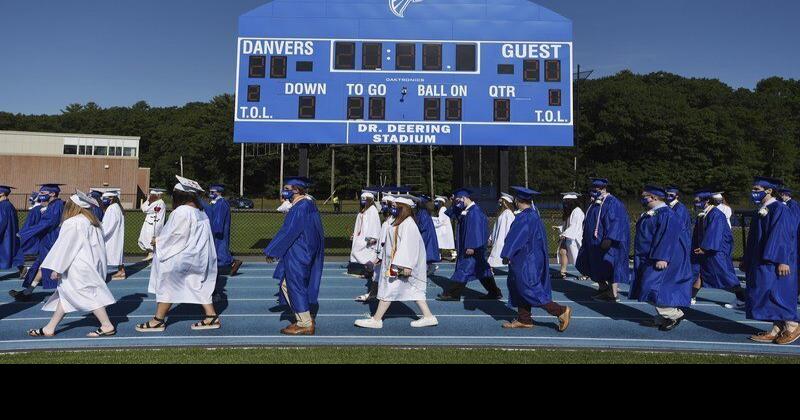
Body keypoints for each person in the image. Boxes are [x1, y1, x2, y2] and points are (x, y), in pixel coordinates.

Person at [27, 190, 117, 338]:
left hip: (77, 267)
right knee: (65, 294)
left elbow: (66, 247)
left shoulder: (72, 222)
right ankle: (50, 328)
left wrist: (58, 268)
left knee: (89, 295)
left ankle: (107, 325)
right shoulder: (94, 221)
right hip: (90, 264)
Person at [137, 176, 221, 333]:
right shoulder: (199, 211)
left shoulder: (182, 212)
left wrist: (158, 241)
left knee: (167, 283)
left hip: (185, 256)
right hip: (198, 257)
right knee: (197, 285)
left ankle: (158, 320)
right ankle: (211, 317)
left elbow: (177, 236)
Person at [355, 196, 439, 329]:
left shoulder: (408, 224)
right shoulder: (399, 222)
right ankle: (428, 316)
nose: (392, 209)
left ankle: (376, 319)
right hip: (394, 262)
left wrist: (405, 265)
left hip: (400, 265)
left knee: (388, 290)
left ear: (403, 208)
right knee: (414, 291)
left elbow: (408, 246)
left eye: (395, 206)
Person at [500, 186, 572, 331]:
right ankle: (524, 319)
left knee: (529, 289)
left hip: (525, 260)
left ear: (517, 200)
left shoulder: (524, 218)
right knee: (520, 288)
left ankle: (560, 311)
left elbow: (516, 239)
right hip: (532, 257)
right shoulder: (534, 215)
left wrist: (507, 254)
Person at [264, 177, 325, 335]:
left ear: (296, 190)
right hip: (305, 249)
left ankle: (305, 323)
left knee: (294, 285)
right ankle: (303, 317)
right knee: (287, 284)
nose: (283, 191)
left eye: (286, 188)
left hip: (299, 251)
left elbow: (289, 231)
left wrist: (272, 250)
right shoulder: (307, 203)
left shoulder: (300, 207)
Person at [743, 177, 800, 345]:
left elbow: (783, 236)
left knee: (776, 293)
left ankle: (792, 325)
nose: (754, 192)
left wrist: (782, 260)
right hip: (761, 260)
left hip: (776, 260)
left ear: (769, 190)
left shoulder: (780, 209)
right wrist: (747, 259)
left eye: (757, 189)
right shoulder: (762, 209)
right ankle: (776, 328)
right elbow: (753, 239)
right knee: (763, 292)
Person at [629, 186, 693, 331]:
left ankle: (673, 314)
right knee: (647, 287)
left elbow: (667, 237)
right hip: (648, 257)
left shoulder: (667, 214)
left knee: (651, 287)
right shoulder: (653, 213)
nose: (643, 198)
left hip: (660, 258)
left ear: (654, 197)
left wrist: (662, 257)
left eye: (645, 196)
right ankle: (663, 317)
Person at [436, 188, 503, 301]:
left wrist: (472, 246)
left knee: (464, 269)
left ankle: (452, 293)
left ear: (464, 198)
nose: (457, 202)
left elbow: (475, 230)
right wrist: (453, 203)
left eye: (458, 200)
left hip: (472, 247)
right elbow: (452, 214)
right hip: (469, 246)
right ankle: (494, 292)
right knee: (482, 270)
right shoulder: (466, 210)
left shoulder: (474, 212)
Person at [576, 178, 631, 302]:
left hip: (605, 243)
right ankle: (603, 289)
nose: (593, 192)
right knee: (590, 265)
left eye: (595, 190)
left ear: (603, 189)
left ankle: (612, 293)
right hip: (593, 242)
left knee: (609, 267)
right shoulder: (594, 203)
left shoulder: (612, 203)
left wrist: (609, 238)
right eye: (591, 190)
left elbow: (616, 222)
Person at [690, 190, 747, 307]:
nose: (695, 204)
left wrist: (705, 248)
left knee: (726, 274)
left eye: (697, 201)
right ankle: (691, 296)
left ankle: (742, 298)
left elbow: (714, 233)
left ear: (706, 201)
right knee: (700, 272)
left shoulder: (716, 214)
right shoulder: (705, 214)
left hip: (717, 251)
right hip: (707, 250)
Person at [10, 183, 65, 301]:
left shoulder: (57, 205)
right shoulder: (51, 205)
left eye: (44, 193)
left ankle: (66, 294)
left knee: (51, 267)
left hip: (52, 240)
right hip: (47, 240)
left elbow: (48, 222)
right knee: (41, 266)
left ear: (52, 193)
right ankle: (27, 292)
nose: (41, 195)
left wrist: (25, 233)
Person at [356, 194, 396, 302]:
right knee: (377, 276)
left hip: (387, 256)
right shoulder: (387, 221)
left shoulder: (391, 223)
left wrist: (379, 257)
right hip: (382, 254)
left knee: (388, 279)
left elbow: (388, 242)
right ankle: (373, 294)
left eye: (384, 203)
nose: (382, 206)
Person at [203, 184, 243, 276]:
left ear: (218, 192)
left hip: (219, 231)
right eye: (210, 192)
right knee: (218, 250)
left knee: (220, 249)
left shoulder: (220, 203)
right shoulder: (216, 202)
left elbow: (218, 218)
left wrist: (215, 229)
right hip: (217, 230)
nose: (210, 194)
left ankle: (233, 262)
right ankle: (231, 263)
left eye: (212, 192)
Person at [348, 190, 381, 278]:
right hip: (361, 235)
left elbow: (375, 225)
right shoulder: (364, 210)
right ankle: (367, 269)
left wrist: (372, 238)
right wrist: (355, 233)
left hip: (368, 237)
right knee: (359, 251)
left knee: (359, 251)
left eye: (364, 199)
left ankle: (370, 267)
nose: (363, 201)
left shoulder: (373, 210)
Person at [556, 192, 585, 279]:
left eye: (566, 202)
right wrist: (560, 228)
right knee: (562, 252)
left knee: (576, 257)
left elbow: (575, 226)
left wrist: (564, 234)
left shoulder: (577, 211)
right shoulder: (570, 211)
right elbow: (568, 225)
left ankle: (585, 273)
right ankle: (563, 272)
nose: (564, 204)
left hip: (575, 238)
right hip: (569, 237)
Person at [18, 192, 45, 278]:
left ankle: (28, 272)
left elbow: (29, 224)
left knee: (30, 253)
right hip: (41, 235)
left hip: (32, 235)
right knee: (36, 254)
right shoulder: (43, 209)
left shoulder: (34, 211)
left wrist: (22, 233)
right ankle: (29, 270)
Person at [101, 189, 126, 280]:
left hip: (111, 236)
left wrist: (101, 234)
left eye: (105, 198)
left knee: (106, 255)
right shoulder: (117, 207)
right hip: (115, 235)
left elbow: (109, 224)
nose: (103, 200)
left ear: (111, 198)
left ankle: (102, 274)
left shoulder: (112, 208)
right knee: (117, 254)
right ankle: (121, 271)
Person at [0, 185, 25, 274]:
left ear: (2, 193)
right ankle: (22, 268)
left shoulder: (2, 206)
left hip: (3, 235)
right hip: (9, 235)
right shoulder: (9, 205)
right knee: (12, 253)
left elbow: (1, 222)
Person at [414, 194, 441, 275]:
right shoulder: (422, 212)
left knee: (424, 253)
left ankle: (428, 268)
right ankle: (428, 268)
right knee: (425, 254)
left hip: (425, 235)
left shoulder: (423, 213)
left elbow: (423, 227)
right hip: (426, 234)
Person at [487, 193, 515, 269]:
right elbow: (496, 227)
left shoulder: (508, 214)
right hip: (498, 240)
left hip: (502, 240)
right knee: (494, 258)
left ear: (505, 202)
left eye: (501, 201)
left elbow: (509, 228)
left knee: (494, 258)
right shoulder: (502, 213)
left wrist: (507, 241)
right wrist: (491, 238)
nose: (499, 203)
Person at [138, 188, 167, 261]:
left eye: (151, 195)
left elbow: (145, 209)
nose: (150, 196)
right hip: (150, 224)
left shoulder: (159, 203)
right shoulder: (154, 202)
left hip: (154, 225)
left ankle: (152, 255)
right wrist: (148, 200)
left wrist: (148, 200)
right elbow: (143, 208)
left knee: (152, 240)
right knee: (145, 239)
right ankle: (151, 255)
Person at [432, 195, 456, 261]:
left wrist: (432, 221)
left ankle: (453, 255)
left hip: (443, 230)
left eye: (437, 202)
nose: (435, 204)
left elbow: (440, 221)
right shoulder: (441, 209)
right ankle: (439, 256)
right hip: (442, 230)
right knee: (441, 245)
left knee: (447, 245)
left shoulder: (442, 209)